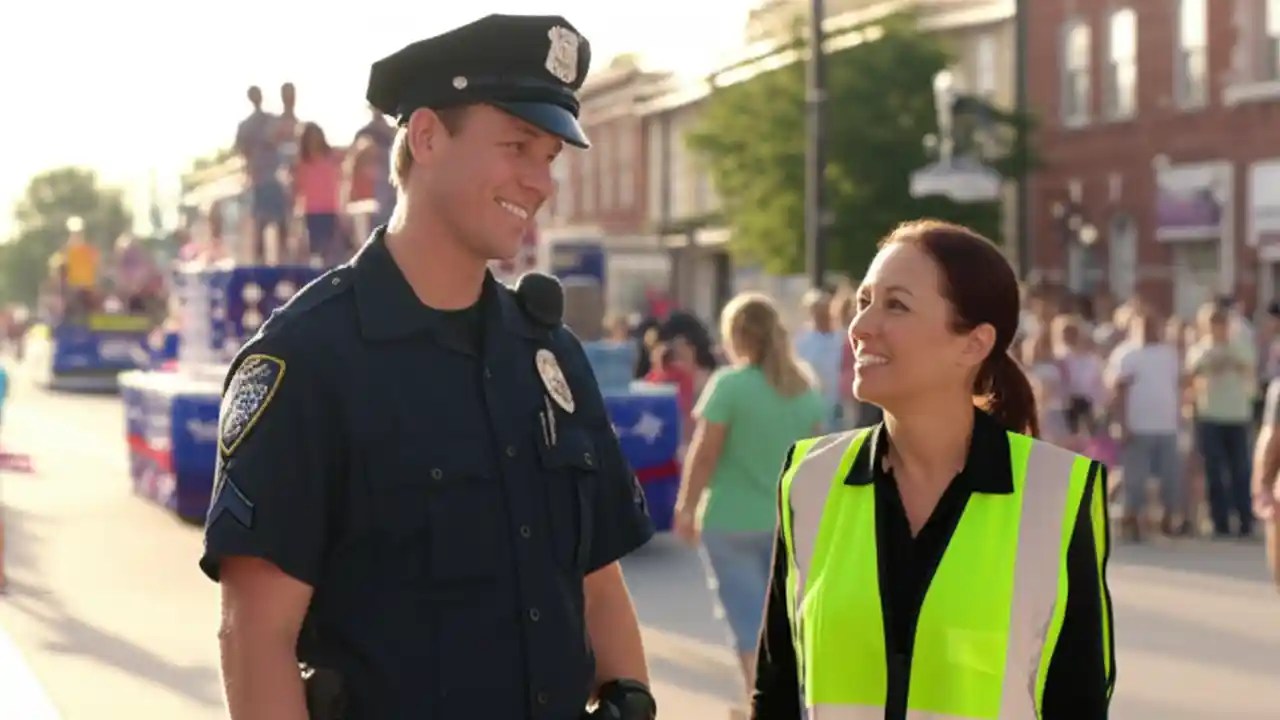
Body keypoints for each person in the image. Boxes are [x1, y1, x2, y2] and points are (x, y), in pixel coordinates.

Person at [200, 15, 657, 720]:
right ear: (425, 136)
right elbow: (256, 635)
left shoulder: (547, 356)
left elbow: (597, 587)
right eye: (517, 147)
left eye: (550, 158)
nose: (539, 182)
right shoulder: (309, 360)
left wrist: (632, 699)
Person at [751, 220, 1116, 720]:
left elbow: (1078, 701)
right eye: (863, 302)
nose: (860, 328)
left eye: (895, 305)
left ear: (972, 344)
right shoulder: (809, 479)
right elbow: (775, 694)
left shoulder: (1056, 494)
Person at [671, 293, 825, 703]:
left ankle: (760, 702)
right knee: (787, 621)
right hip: (789, 522)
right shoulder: (805, 388)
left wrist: (685, 508)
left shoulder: (729, 386)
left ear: (737, 335)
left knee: (747, 622)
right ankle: (788, 701)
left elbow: (704, 454)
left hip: (730, 520)